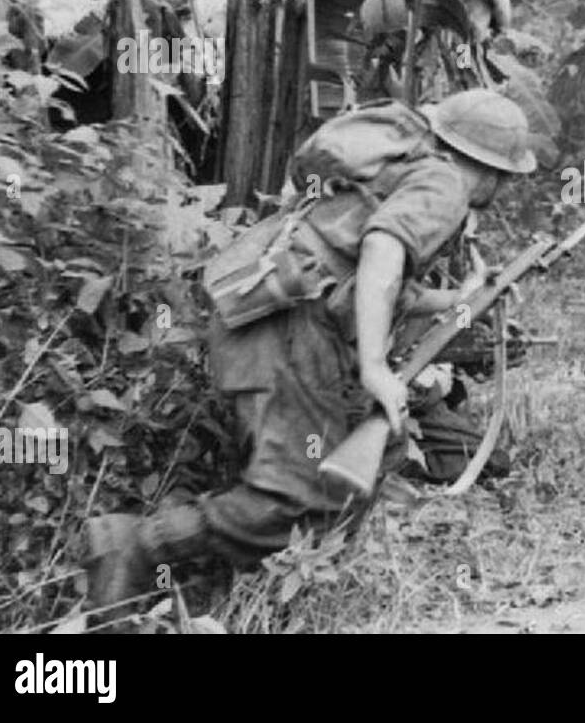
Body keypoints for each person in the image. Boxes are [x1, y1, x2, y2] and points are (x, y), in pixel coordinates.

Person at [79, 89, 537, 607]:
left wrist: (461, 298)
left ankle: (282, 584)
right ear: (492, 168)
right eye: (507, 176)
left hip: (282, 324)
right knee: (294, 492)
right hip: (291, 335)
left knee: (370, 452)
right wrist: (373, 368)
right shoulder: (445, 183)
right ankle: (139, 545)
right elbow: (382, 251)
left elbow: (368, 274)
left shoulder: (400, 172)